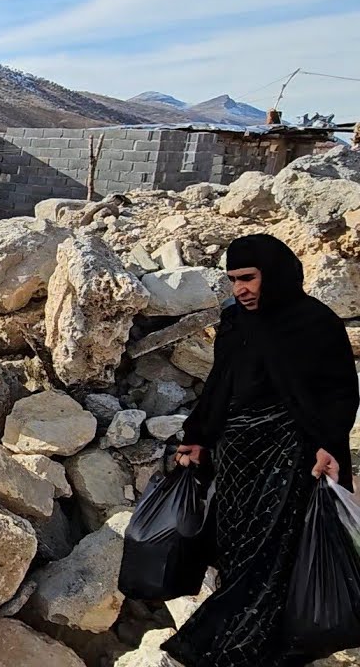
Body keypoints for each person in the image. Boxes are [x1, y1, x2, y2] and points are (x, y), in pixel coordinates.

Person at [163, 233, 359, 667]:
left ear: (274, 273)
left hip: (292, 456)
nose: (240, 289)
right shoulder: (236, 322)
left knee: (276, 552)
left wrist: (329, 444)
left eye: (248, 278)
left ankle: (240, 648)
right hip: (237, 458)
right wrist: (197, 436)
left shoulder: (315, 322)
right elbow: (219, 386)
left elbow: (341, 391)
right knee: (237, 549)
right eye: (233, 280)